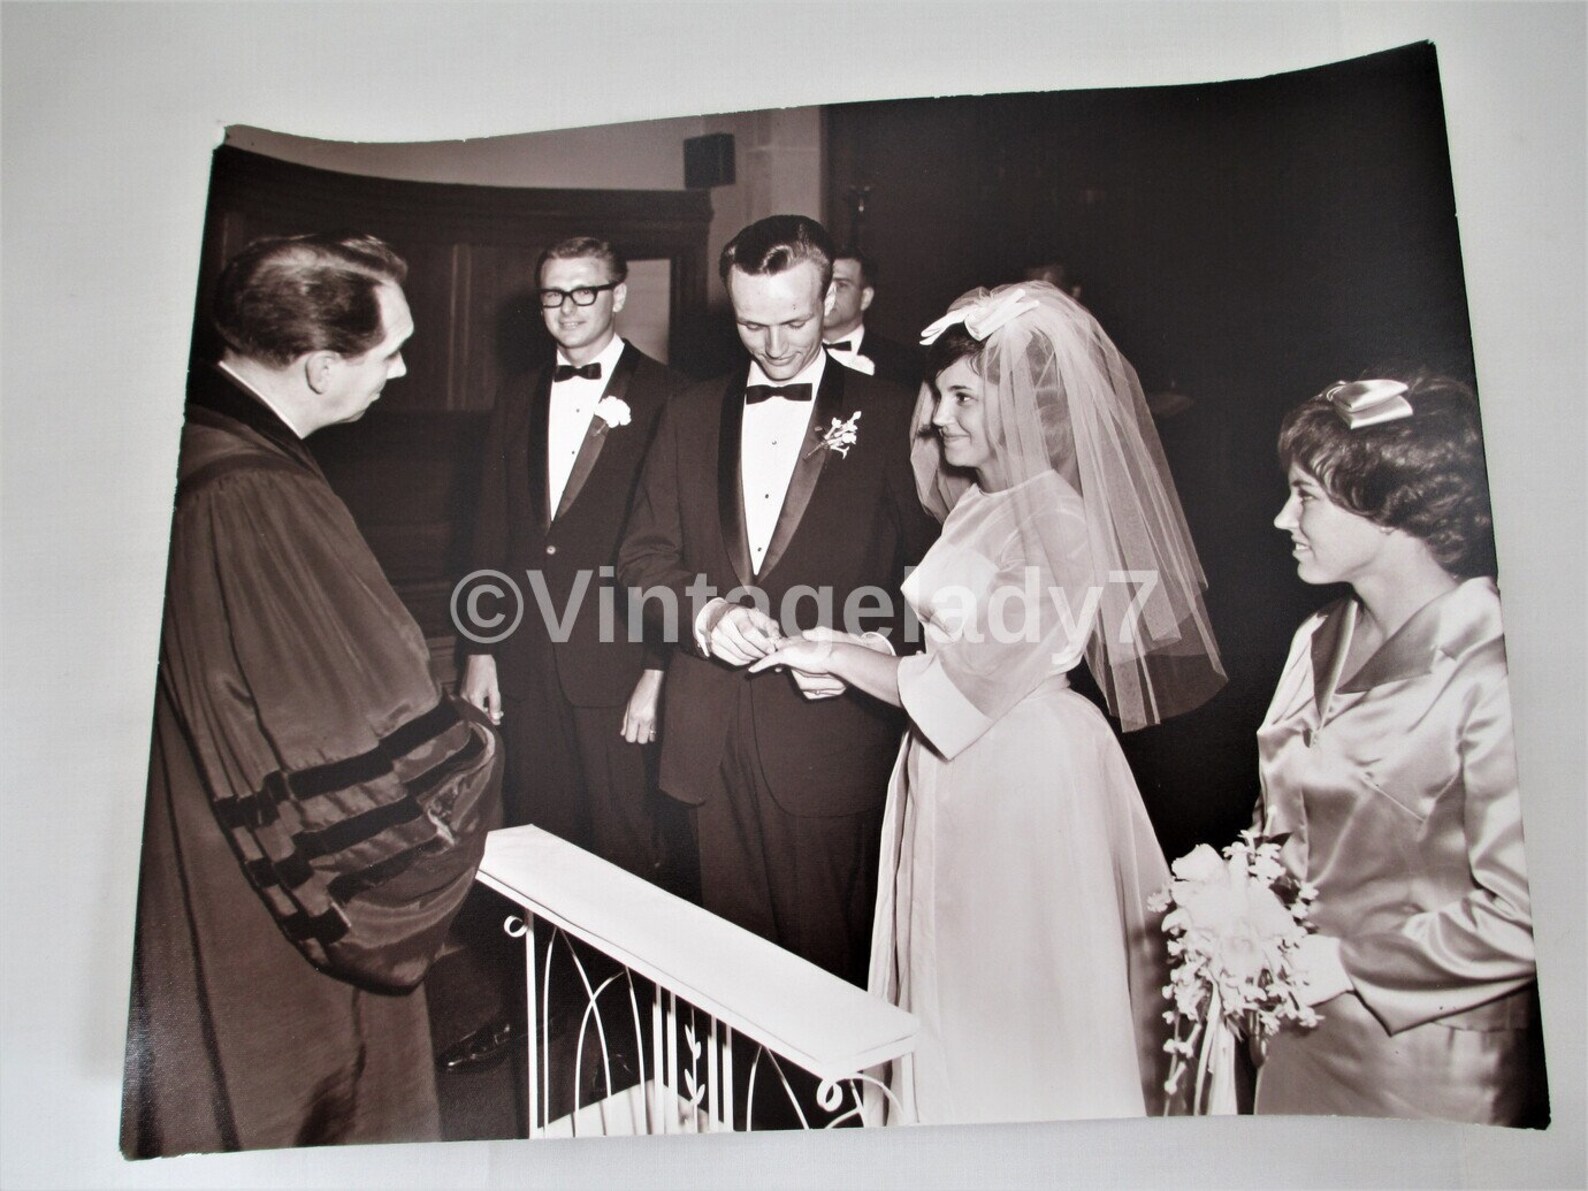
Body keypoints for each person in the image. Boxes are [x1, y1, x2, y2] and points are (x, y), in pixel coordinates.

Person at [753, 281, 1226, 1124]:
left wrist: (837, 653)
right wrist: (862, 654)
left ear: (1023, 405)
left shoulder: (1063, 523)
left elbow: (969, 683)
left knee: (1017, 985)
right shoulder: (980, 501)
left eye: (964, 396)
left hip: (1021, 768)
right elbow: (949, 648)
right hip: (954, 763)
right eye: (941, 395)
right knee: (954, 971)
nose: (938, 418)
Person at [121, 233, 502, 1155]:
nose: (406, 369)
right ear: (322, 367)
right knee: (313, 1099)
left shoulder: (190, 442)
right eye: (393, 350)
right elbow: (347, 739)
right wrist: (478, 747)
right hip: (257, 900)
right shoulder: (250, 497)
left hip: (185, 832)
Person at [618, 215, 938, 988]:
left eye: (794, 319)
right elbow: (638, 561)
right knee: (723, 983)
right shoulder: (688, 412)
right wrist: (706, 616)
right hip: (704, 750)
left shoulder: (898, 412)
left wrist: (869, 652)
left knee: (829, 980)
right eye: (750, 323)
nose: (774, 344)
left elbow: (938, 577)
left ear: (831, 296)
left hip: (828, 750)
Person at [1253, 375, 1544, 1125]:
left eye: (1305, 494)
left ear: (1383, 507)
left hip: (1422, 1066)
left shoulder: (1498, 665)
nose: (1283, 516)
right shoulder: (1315, 637)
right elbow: (1281, 823)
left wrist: (1347, 963)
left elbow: (1530, 912)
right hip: (1294, 1036)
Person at [462, 236, 686, 884]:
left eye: (583, 291)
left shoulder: (674, 396)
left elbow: (681, 548)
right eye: (553, 294)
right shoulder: (516, 395)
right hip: (528, 662)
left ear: (618, 294)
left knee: (628, 847)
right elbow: (491, 528)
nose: (567, 307)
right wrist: (481, 647)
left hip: (618, 667)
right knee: (539, 844)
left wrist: (658, 668)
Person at [821, 248, 925, 388]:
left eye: (841, 285)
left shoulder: (903, 364)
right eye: (824, 283)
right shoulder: (790, 352)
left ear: (865, 298)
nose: (827, 294)